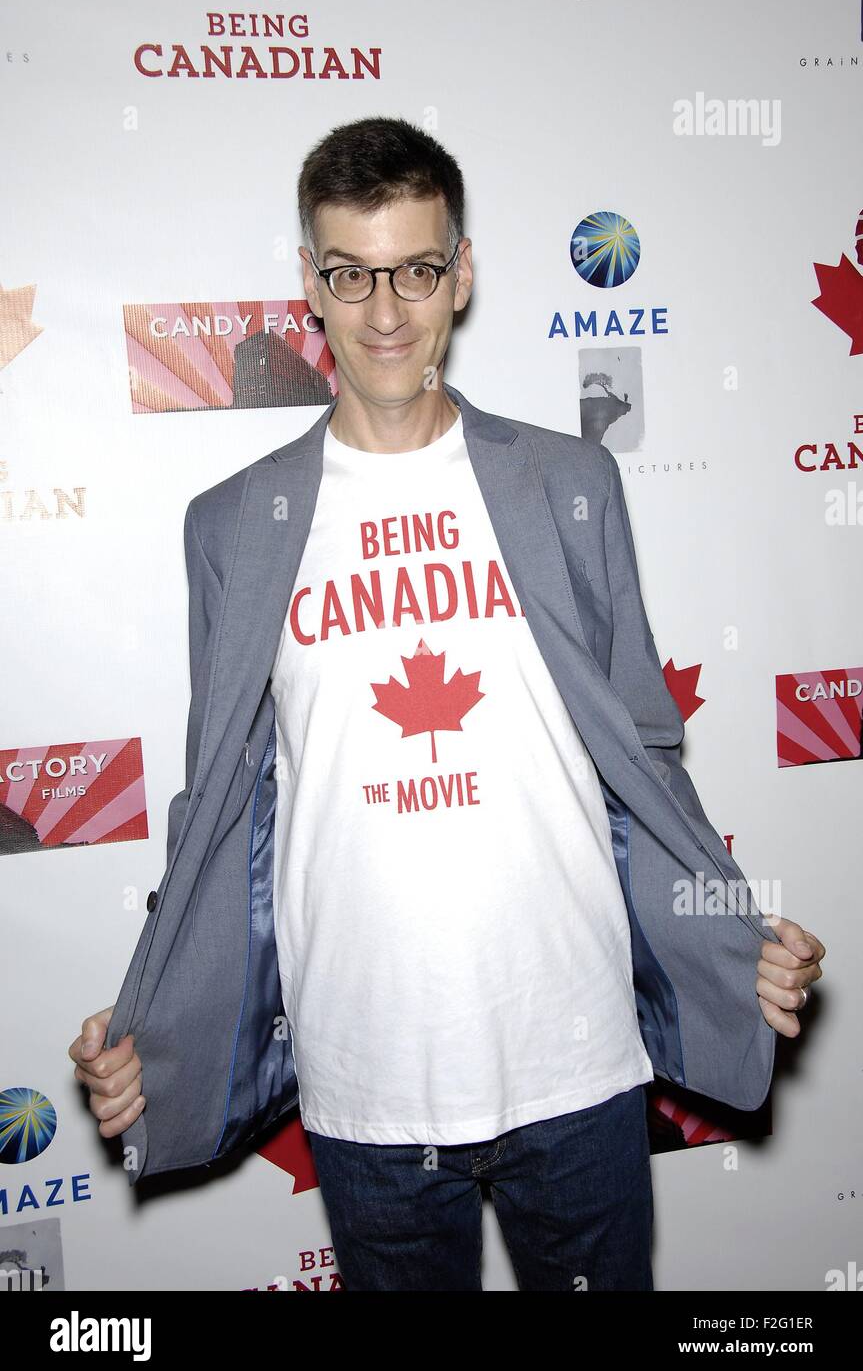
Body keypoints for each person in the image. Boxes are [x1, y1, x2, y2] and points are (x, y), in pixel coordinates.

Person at [69, 116, 825, 1291]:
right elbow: (218, 808)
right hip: (363, 1078)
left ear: (459, 273)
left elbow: (645, 758)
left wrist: (727, 940)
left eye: (416, 269)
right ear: (309, 282)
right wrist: (148, 1022)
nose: (384, 312)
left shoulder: (569, 484)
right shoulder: (231, 527)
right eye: (349, 273)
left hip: (577, 1058)